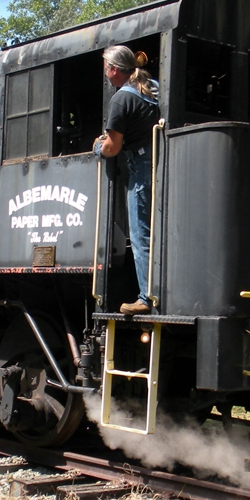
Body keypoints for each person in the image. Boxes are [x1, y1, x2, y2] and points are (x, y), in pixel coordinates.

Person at [92, 46, 160, 316]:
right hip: (158, 160)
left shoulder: (121, 100)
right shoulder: (151, 87)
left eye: (106, 69)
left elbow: (112, 148)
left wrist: (97, 147)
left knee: (140, 234)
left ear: (113, 69)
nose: (106, 75)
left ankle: (145, 297)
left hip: (141, 167)